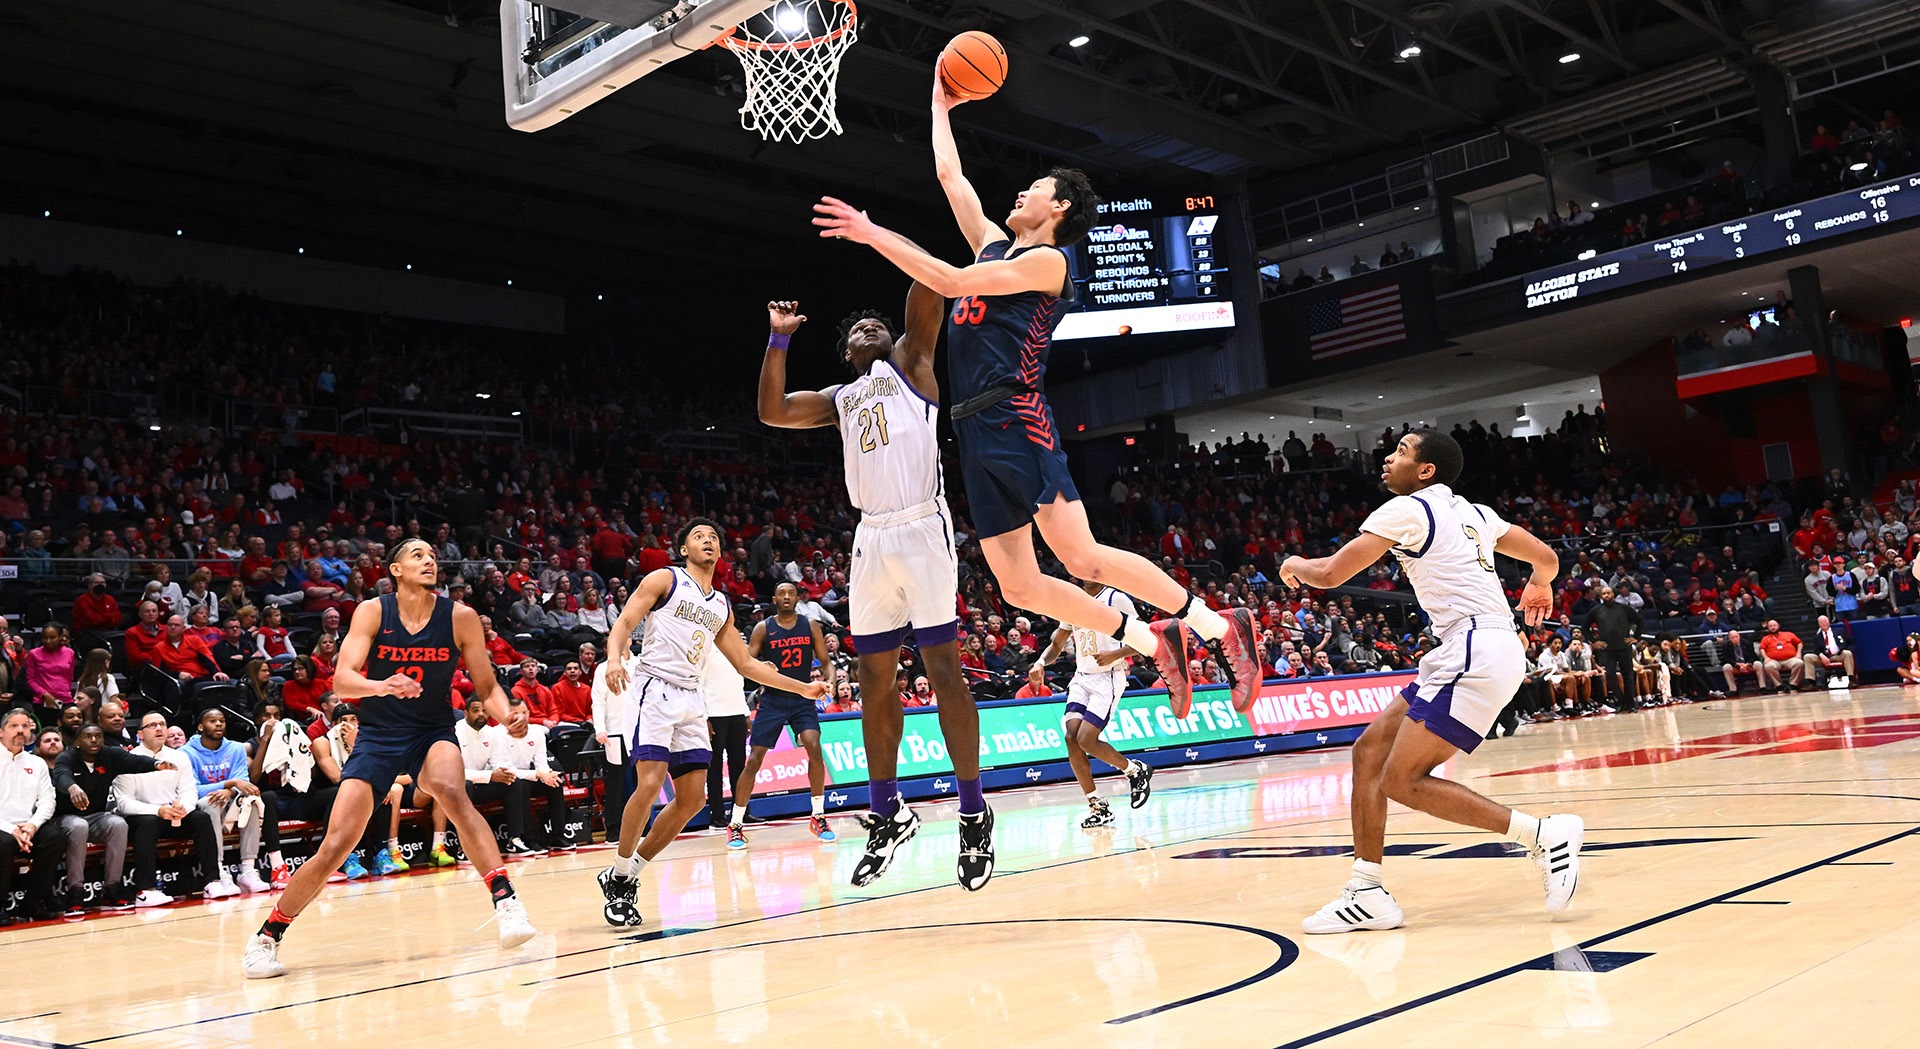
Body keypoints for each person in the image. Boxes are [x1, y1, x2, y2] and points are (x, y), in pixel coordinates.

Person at [811, 78, 1264, 728]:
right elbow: (950, 176)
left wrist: (870, 231)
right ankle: (1150, 640)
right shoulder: (996, 248)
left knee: (1083, 557)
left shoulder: (1049, 263)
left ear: (1059, 207)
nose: (1021, 192)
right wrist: (938, 104)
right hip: (971, 429)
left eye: (1036, 187)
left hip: (1016, 415)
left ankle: (1221, 627)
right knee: (1019, 586)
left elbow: (950, 281)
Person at [1279, 428, 1582, 933]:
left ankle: (1541, 835)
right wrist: (1539, 584)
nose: (1387, 458)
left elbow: (1330, 575)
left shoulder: (1407, 509)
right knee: (1369, 753)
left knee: (1402, 780)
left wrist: (1294, 564)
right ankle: (1367, 891)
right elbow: (1546, 559)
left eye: (1400, 451)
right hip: (1474, 647)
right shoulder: (1476, 513)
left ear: (1425, 471)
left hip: (1473, 648)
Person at [754, 286, 989, 889]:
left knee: (943, 670)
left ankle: (972, 811)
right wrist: (779, 337)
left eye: (874, 324)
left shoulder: (911, 361)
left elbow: (927, 290)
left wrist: (888, 239)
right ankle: (887, 811)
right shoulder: (841, 399)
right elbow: (772, 410)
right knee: (873, 682)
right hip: (871, 538)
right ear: (845, 352)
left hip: (922, 525)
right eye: (855, 330)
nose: (866, 329)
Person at [241, 538, 537, 979]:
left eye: (432, 556)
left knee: (452, 790)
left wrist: (506, 714)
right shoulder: (373, 611)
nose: (429, 560)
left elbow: (487, 686)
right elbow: (342, 681)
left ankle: (507, 902)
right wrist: (383, 685)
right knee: (336, 845)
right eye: (417, 555)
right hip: (378, 736)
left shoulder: (459, 617)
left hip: (432, 730)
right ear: (395, 570)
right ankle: (267, 936)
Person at [595, 518, 828, 928]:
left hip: (691, 696)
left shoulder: (720, 605)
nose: (708, 541)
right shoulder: (666, 579)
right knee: (650, 784)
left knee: (693, 801)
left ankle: (626, 875)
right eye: (699, 536)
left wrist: (803, 688)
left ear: (720, 552)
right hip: (653, 686)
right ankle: (619, 873)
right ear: (684, 549)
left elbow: (746, 664)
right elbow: (626, 622)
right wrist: (615, 658)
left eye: (714, 537)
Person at [1029, 578, 1154, 829]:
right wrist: (1040, 662)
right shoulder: (1072, 601)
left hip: (1108, 676)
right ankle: (1097, 805)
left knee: (1086, 739)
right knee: (1071, 737)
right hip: (1081, 678)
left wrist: (1116, 654)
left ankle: (1134, 770)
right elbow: (1057, 643)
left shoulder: (1116, 599)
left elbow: (1146, 639)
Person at [727, 582, 837, 848]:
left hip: (802, 698)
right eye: (781, 593)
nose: (787, 597)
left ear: (798, 599)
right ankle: (736, 824)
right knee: (754, 759)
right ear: (774, 599)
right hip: (773, 700)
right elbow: (745, 664)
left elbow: (826, 662)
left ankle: (818, 816)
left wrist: (831, 681)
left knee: (813, 744)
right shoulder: (763, 628)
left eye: (791, 593)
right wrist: (761, 665)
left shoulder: (811, 625)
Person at [116, 711, 225, 908]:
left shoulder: (179, 757)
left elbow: (189, 790)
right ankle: (146, 891)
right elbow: (123, 803)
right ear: (140, 734)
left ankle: (212, 882)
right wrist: (158, 810)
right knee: (148, 823)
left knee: (200, 818)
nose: (159, 728)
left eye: (162, 724)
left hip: (173, 815)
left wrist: (184, 808)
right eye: (152, 725)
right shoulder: (128, 760)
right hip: (142, 817)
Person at [53, 723, 161, 913]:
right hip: (65, 817)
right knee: (79, 826)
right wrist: (72, 788)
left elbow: (133, 761)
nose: (94, 740)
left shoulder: (109, 755)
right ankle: (75, 892)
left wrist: (156, 764)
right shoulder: (67, 757)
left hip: (96, 816)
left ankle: (112, 888)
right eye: (88, 736)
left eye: (98, 736)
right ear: (77, 742)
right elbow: (61, 776)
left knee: (118, 824)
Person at [184, 707, 280, 894]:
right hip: (202, 802)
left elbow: (243, 779)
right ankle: (218, 869)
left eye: (222, 721)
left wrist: (230, 790)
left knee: (251, 800)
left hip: (231, 799)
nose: (219, 724)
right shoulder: (186, 753)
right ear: (201, 727)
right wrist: (228, 784)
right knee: (212, 802)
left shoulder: (235, 748)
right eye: (213, 721)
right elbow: (193, 789)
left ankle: (248, 870)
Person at [0, 707, 75, 925]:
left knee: (55, 838)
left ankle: (33, 900)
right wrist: (12, 830)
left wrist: (32, 825)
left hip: (26, 826)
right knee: (4, 843)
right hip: (3, 828)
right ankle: (0, 905)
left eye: (25, 726)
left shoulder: (36, 762)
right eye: (14, 726)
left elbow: (47, 800)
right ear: (1, 732)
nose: (20, 730)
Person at [487, 695, 574, 853]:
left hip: (529, 775)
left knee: (555, 783)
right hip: (504, 780)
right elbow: (505, 769)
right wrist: (538, 774)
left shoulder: (536, 732)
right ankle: (530, 839)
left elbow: (542, 763)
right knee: (520, 786)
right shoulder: (497, 734)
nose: (521, 717)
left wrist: (547, 774)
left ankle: (558, 836)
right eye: (516, 713)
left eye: (524, 712)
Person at [1808, 614, 1854, 688]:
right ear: (1819, 624)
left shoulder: (1839, 631)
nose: (1823, 623)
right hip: (1825, 658)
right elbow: (1816, 649)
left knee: (1847, 653)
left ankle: (1851, 680)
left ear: (1829, 622)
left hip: (1839, 655)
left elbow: (1851, 644)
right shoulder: (1817, 637)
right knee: (1807, 657)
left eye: (1825, 621)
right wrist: (1821, 655)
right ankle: (1811, 683)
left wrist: (1846, 650)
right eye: (1821, 622)